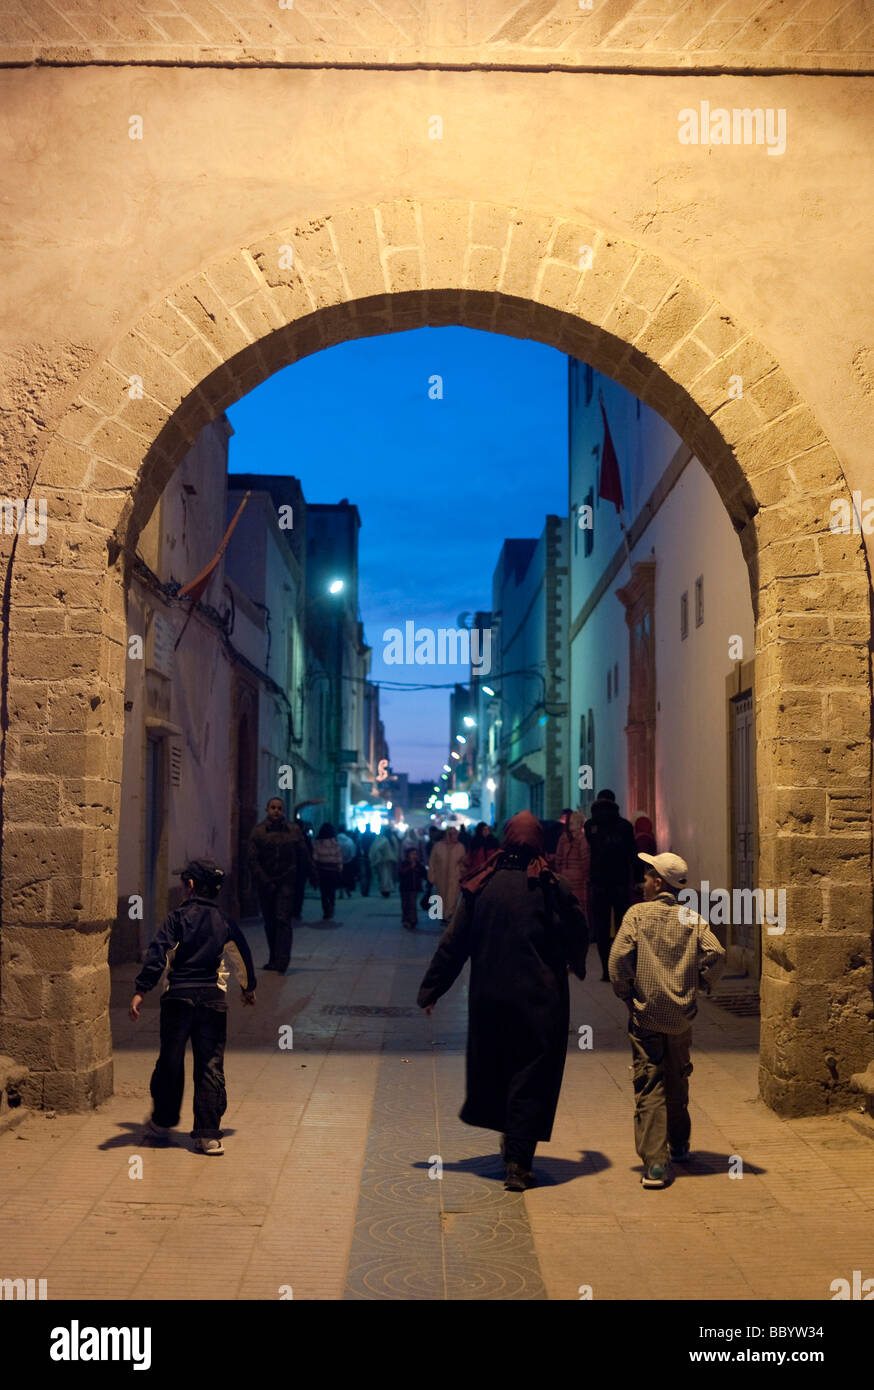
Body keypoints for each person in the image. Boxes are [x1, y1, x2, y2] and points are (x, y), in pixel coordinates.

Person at [417, 812, 588, 1191]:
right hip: (541, 1001)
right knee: (533, 1073)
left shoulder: (483, 886)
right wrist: (576, 963)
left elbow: (454, 943)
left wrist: (432, 990)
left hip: (490, 999)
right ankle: (518, 1160)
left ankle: (510, 1144)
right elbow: (578, 929)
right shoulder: (551, 885)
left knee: (499, 1066)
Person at [609, 851, 725, 1190]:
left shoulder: (637, 914)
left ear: (658, 882)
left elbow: (617, 960)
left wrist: (626, 993)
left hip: (646, 1014)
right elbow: (717, 952)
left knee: (650, 1083)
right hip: (680, 1016)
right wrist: (701, 983)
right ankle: (681, 1144)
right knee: (678, 1076)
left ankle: (656, 1165)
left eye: (646, 876)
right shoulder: (692, 918)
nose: (642, 882)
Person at [129, 859, 256, 1156]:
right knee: (210, 1064)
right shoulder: (224, 921)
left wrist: (141, 989)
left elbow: (158, 953)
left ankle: (162, 1123)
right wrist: (248, 988)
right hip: (213, 1000)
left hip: (178, 999)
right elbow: (242, 955)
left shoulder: (176, 918)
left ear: (190, 885)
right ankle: (208, 1135)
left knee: (170, 1063)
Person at [248, 797, 313, 972]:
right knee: (270, 921)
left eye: (279, 808)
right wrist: (263, 879)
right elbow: (253, 859)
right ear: (267, 810)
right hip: (266, 882)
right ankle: (273, 957)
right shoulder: (259, 831)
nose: (276, 811)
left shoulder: (293, 830)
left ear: (283, 811)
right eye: (273, 808)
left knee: (283, 919)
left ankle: (282, 960)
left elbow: (303, 853)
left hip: (286, 880)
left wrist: (312, 874)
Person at [584, 788, 639, 982]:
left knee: (601, 927)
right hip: (620, 883)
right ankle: (622, 967)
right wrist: (639, 879)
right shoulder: (624, 826)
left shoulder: (590, 826)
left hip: (598, 883)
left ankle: (606, 970)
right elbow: (633, 854)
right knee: (623, 926)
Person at [426, 823, 466, 923]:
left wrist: (462, 874)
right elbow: (432, 862)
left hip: (454, 877)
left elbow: (463, 863)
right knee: (441, 896)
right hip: (441, 877)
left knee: (453, 897)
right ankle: (443, 916)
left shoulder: (460, 847)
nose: (455, 837)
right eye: (453, 834)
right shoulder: (438, 846)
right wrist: (431, 875)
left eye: (456, 834)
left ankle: (450, 915)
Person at [554, 810, 590, 915]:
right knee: (579, 908)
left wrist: (560, 873)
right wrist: (587, 876)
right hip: (579, 878)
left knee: (566, 907)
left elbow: (558, 858)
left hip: (564, 875)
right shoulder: (582, 838)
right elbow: (585, 859)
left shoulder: (563, 837)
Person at [313, 822, 343, 919]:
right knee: (331, 890)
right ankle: (332, 905)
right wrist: (340, 868)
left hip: (322, 870)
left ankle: (326, 910)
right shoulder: (335, 843)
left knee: (323, 891)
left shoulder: (317, 843)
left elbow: (315, 857)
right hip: (333, 870)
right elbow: (339, 857)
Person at [399, 848, 427, 930]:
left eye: (415, 854)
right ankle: (406, 919)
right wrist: (410, 867)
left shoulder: (418, 864)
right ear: (408, 855)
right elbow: (401, 873)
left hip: (414, 888)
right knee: (405, 904)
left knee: (412, 904)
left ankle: (412, 920)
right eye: (412, 854)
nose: (414, 856)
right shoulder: (404, 864)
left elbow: (423, 874)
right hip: (405, 888)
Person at [369, 828, 399, 897]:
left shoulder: (382, 839)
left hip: (383, 861)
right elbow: (396, 849)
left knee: (384, 876)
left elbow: (375, 849)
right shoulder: (391, 839)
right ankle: (387, 889)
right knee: (388, 876)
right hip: (389, 860)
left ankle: (385, 889)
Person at [336, 825, 357, 899]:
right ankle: (347, 890)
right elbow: (353, 853)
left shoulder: (334, 840)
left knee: (340, 878)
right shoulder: (349, 841)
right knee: (346, 877)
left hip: (337, 862)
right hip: (348, 862)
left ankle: (341, 893)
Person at [358, 826, 375, 896]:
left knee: (363, 875)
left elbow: (360, 845)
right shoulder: (371, 836)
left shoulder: (363, 836)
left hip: (363, 857)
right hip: (369, 857)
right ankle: (366, 891)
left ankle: (364, 890)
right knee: (368, 875)